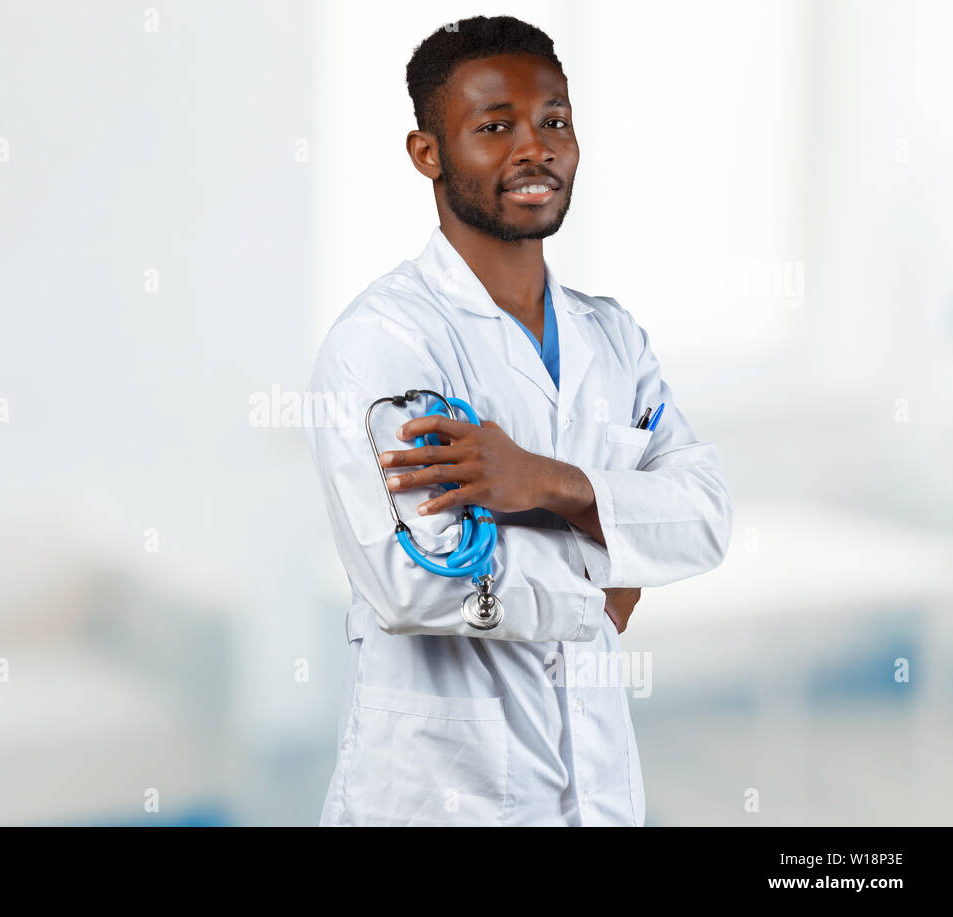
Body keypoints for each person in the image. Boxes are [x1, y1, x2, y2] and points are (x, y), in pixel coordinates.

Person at [305, 15, 734, 826]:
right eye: (494, 126)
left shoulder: (612, 336)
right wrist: (600, 576)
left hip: (599, 788)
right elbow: (414, 580)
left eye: (554, 122)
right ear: (427, 152)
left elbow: (707, 517)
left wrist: (549, 483)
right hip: (440, 792)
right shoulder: (384, 344)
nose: (534, 148)